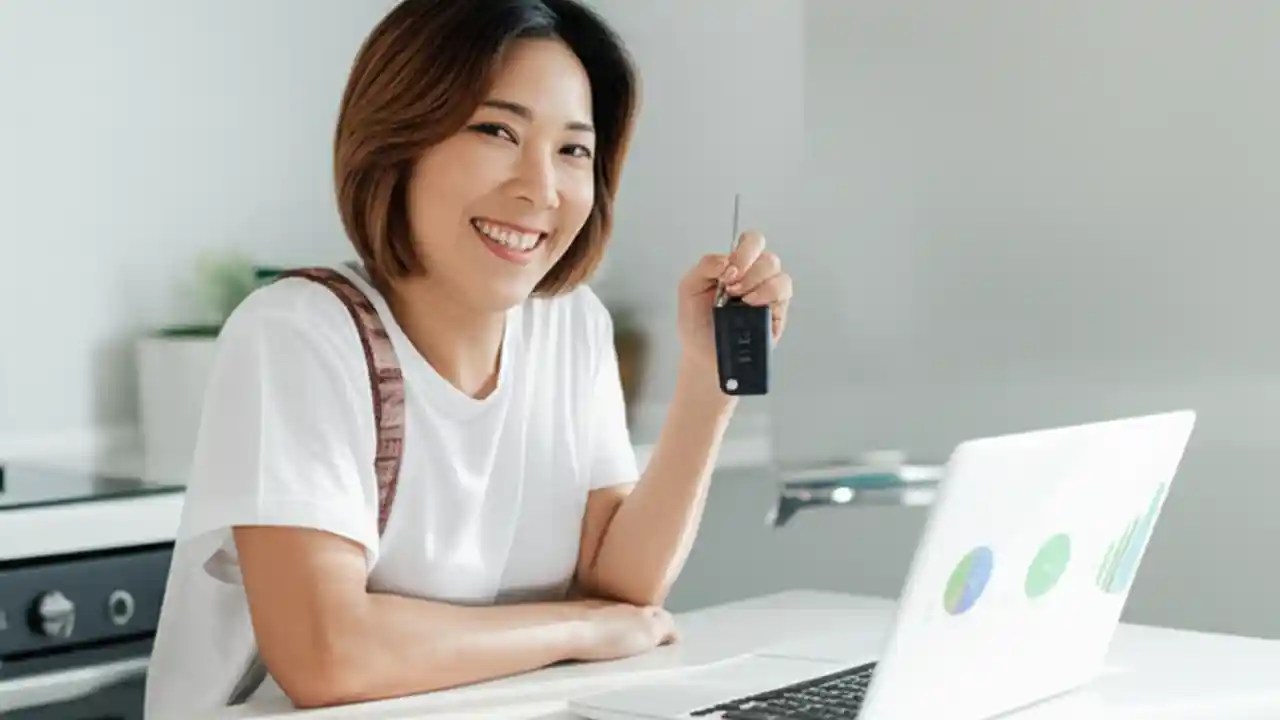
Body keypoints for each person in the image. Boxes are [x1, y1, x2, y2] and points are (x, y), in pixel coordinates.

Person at [143, 0, 794, 715]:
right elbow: (327, 654)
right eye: (496, 131)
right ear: (399, 140)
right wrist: (578, 625)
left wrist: (708, 386)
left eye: (573, 149)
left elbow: (623, 593)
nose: (541, 188)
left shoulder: (571, 326)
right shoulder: (299, 334)